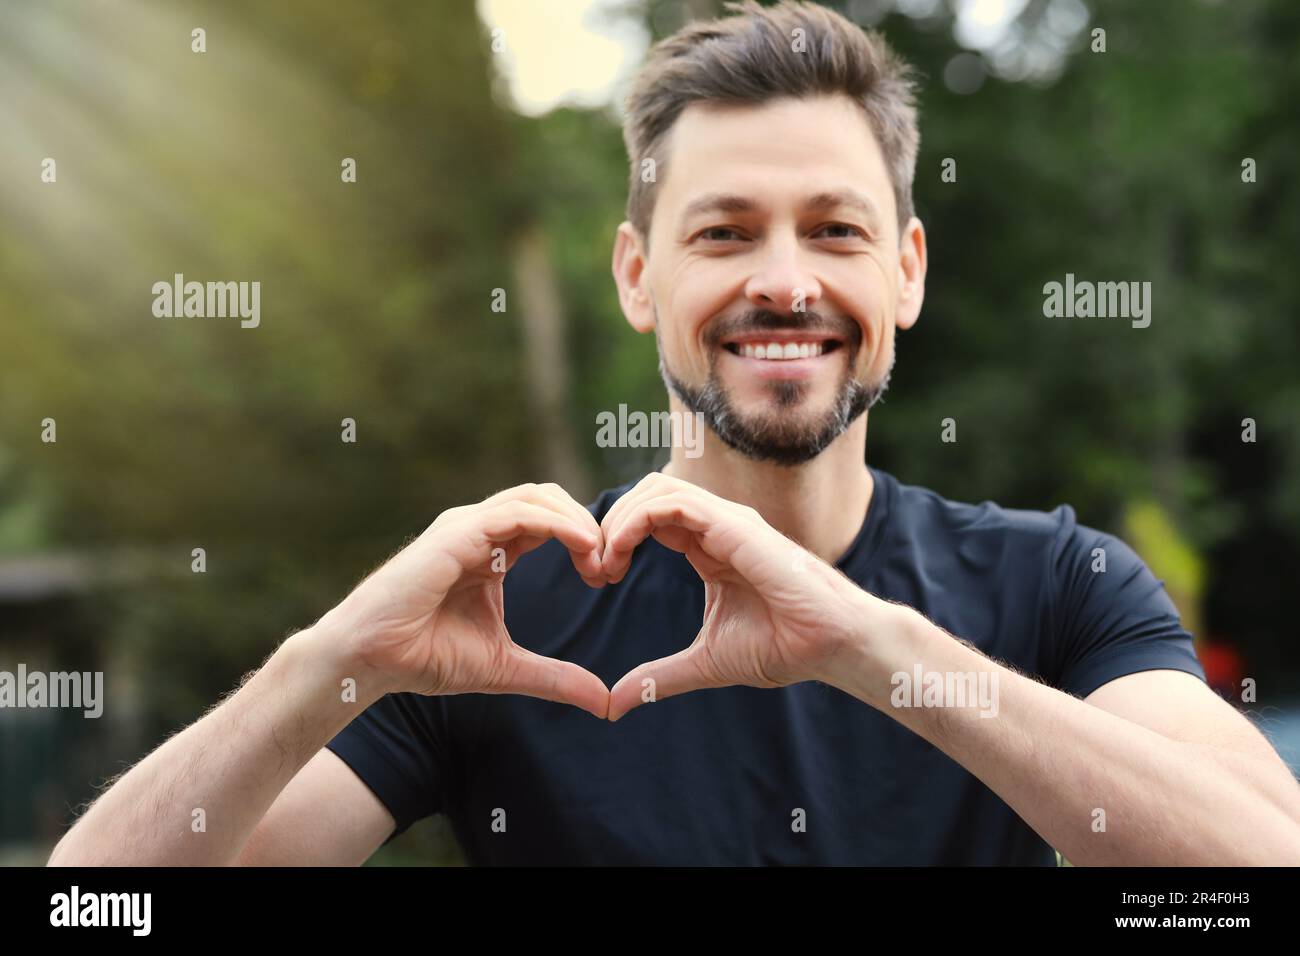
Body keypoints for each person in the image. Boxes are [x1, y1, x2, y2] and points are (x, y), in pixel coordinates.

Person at [48, 0, 1300, 866]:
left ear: (907, 271)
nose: (785, 280)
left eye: (835, 228)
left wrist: (872, 646)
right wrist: (330, 661)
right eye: (723, 231)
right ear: (638, 275)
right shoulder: (499, 623)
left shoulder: (1057, 584)